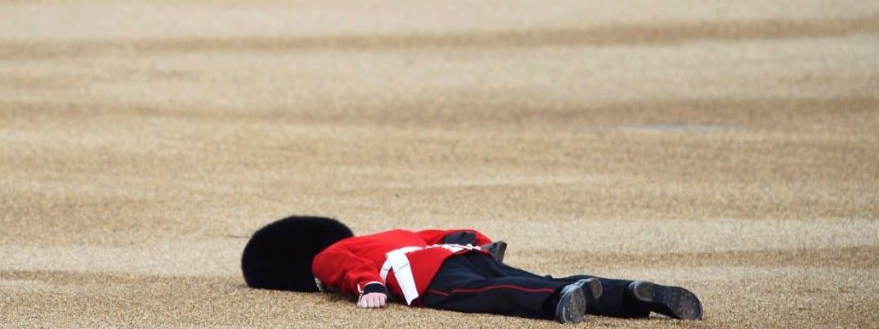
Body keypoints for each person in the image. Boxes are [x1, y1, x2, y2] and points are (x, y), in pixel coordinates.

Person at [242, 216, 704, 324]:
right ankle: (631, 294)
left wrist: (370, 287)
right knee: (537, 277)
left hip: (424, 277)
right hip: (457, 252)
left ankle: (556, 303)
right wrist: (477, 241)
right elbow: (436, 232)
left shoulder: (327, 255)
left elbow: (345, 267)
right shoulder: (388, 232)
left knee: (498, 294)